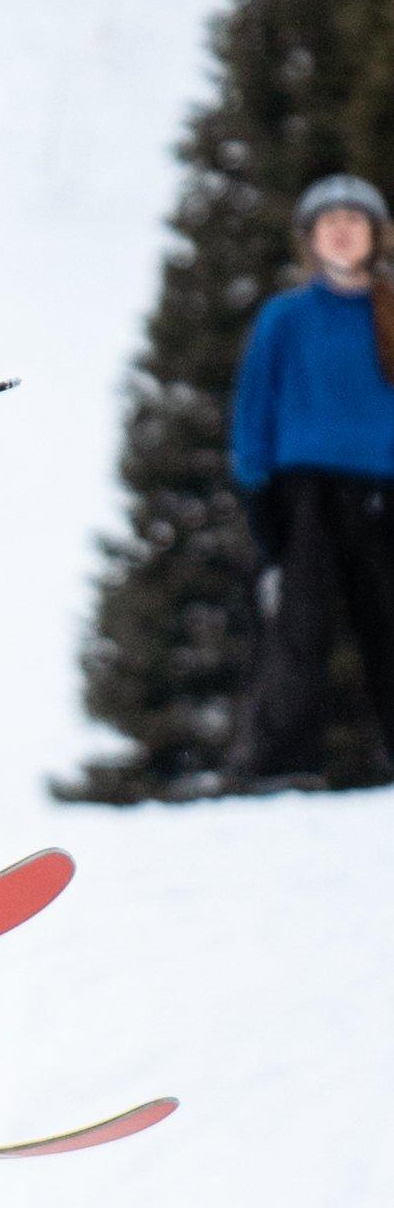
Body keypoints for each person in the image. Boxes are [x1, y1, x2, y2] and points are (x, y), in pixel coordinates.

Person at [228, 171, 394, 787]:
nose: (342, 231)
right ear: (311, 239)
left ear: (375, 235)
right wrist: (258, 493)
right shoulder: (286, 317)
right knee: (298, 631)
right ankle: (279, 769)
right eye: (330, 222)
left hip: (384, 497)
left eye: (354, 221)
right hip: (306, 497)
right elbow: (253, 410)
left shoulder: (389, 312)